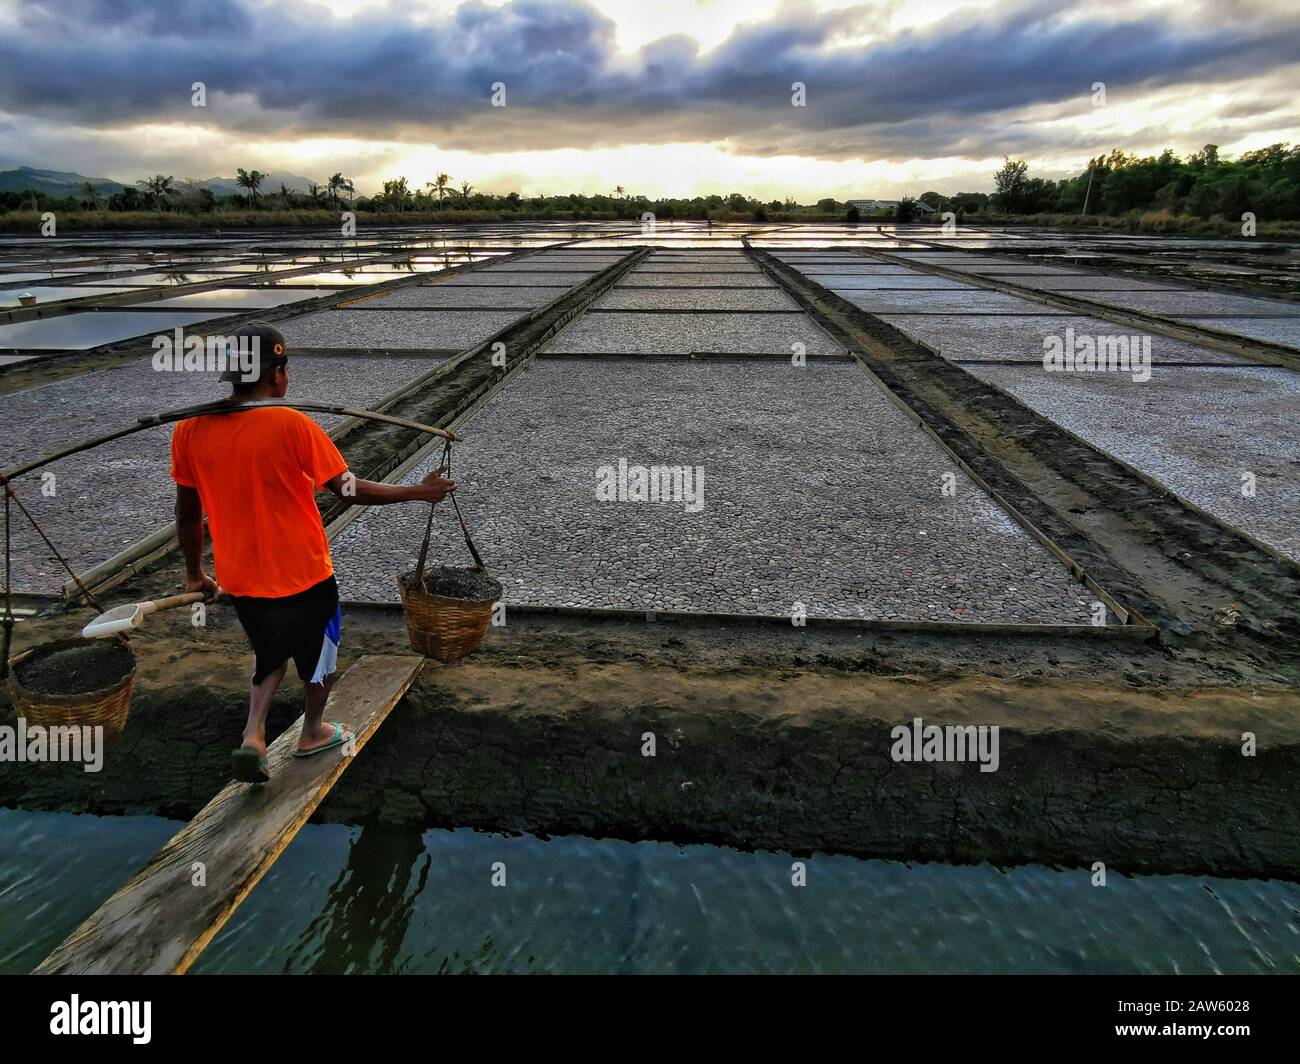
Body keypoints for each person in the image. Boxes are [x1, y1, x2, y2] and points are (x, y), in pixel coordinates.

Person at [170, 322, 455, 783]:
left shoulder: (189, 429)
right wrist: (418, 492)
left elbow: (186, 515)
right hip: (304, 574)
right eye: (286, 369)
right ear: (277, 372)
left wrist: (195, 574)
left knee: (269, 652)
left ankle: (253, 735)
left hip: (240, 577)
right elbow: (349, 490)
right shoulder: (294, 425)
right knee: (317, 656)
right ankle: (313, 732)